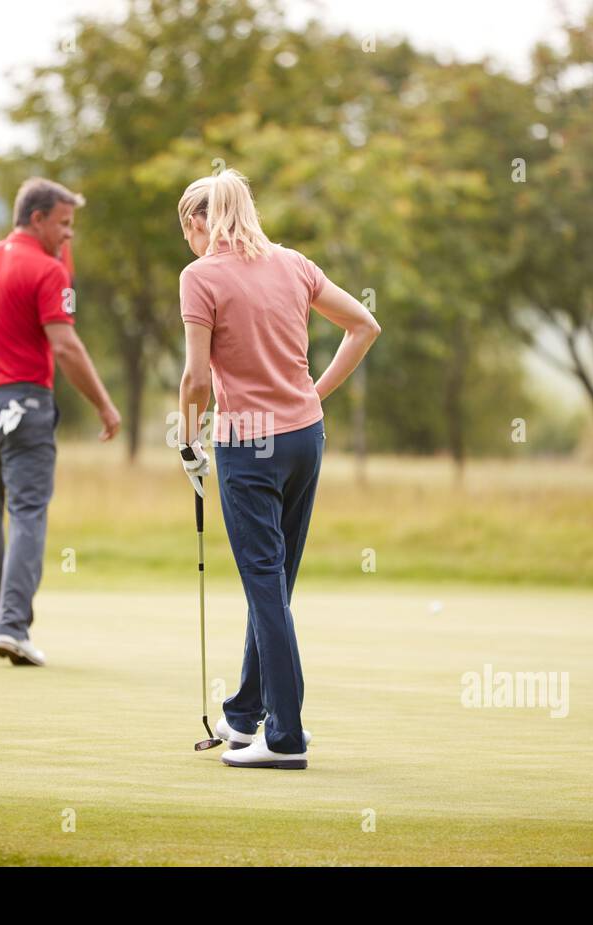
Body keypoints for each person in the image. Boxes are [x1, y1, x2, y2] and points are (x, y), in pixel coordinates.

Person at [175, 169, 380, 769]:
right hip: (305, 437)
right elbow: (364, 326)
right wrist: (313, 394)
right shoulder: (293, 263)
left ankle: (285, 735)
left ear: (198, 221)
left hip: (248, 444)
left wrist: (188, 443)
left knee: (265, 586)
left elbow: (194, 378)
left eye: (186, 228)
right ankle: (244, 714)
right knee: (276, 582)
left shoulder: (199, 276)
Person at [0, 177, 120, 665]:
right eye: (63, 224)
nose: (69, 235)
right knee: (27, 513)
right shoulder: (46, 272)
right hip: (22, 402)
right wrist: (104, 405)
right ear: (36, 217)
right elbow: (65, 344)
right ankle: (12, 627)